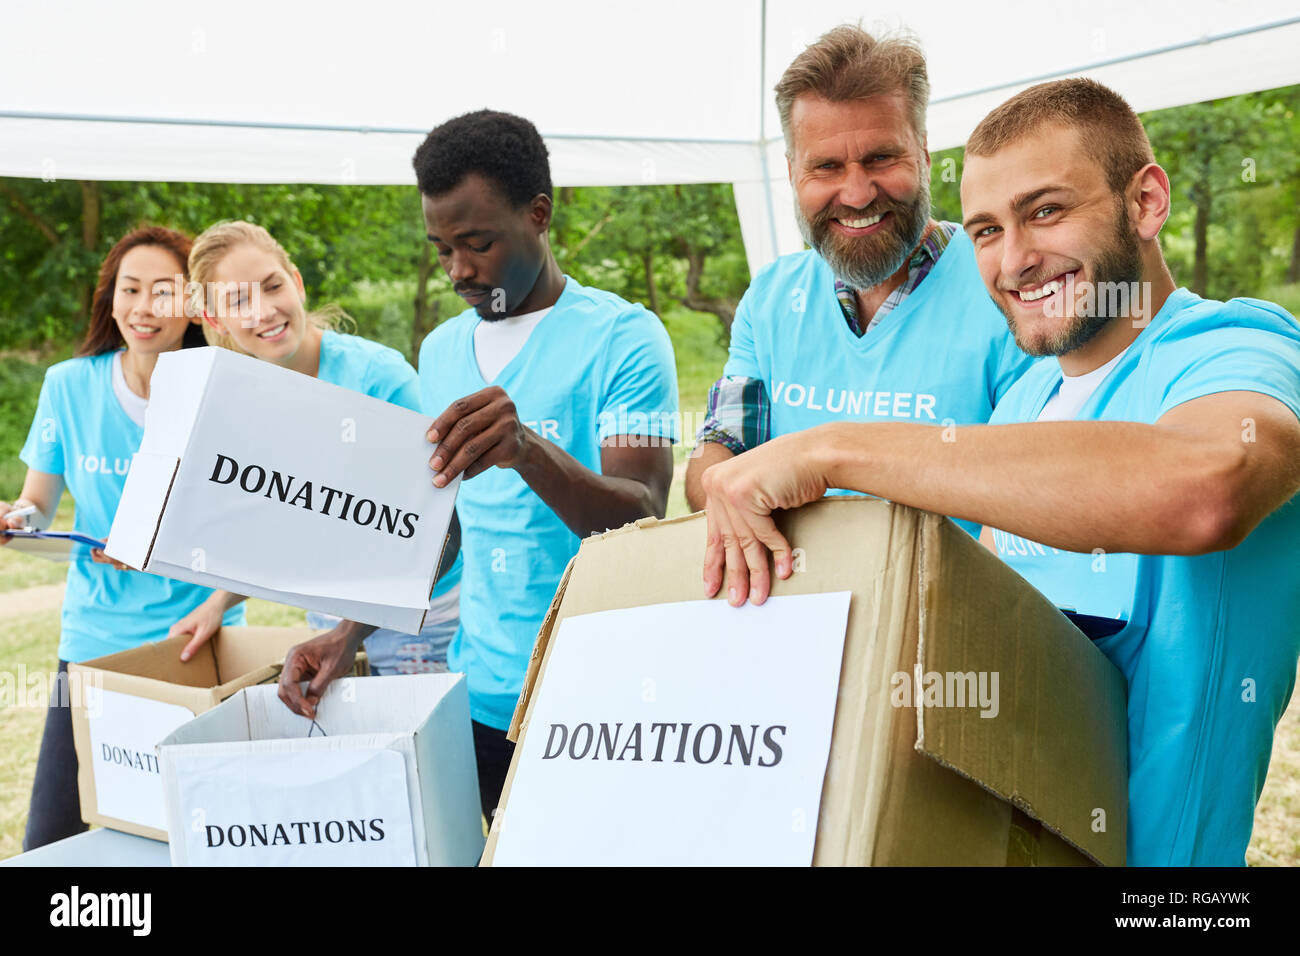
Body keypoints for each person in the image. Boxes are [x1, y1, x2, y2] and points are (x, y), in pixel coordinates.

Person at [696, 78, 1300, 866]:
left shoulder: (1232, 348)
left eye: (1046, 210)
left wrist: (830, 449)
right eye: (985, 229)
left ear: (1146, 201)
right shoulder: (1023, 398)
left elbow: (1204, 490)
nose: (1014, 259)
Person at [278, 110, 679, 821]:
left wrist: (530, 452)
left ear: (540, 214)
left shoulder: (625, 337)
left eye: (478, 243)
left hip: (597, 694)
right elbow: (442, 529)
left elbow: (645, 515)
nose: (459, 269)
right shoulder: (439, 352)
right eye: (441, 250)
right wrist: (350, 632)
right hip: (480, 693)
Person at [684, 25, 1035, 531]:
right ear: (790, 174)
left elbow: (1035, 477)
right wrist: (721, 485)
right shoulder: (771, 296)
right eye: (825, 167)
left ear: (925, 153)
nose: (856, 193)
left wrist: (830, 456)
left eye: (880, 158)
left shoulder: (1011, 285)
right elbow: (721, 451)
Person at [1, 226, 247, 850]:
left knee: (189, 836)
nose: (144, 307)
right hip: (89, 642)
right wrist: (17, 521)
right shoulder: (67, 385)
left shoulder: (224, 391)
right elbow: (39, 502)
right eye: (129, 289)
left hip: (189, 642)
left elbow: (242, 529)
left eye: (163, 292)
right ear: (110, 300)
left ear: (191, 304)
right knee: (52, 835)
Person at [167, 220, 462, 675]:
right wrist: (218, 603)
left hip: (423, 626)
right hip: (330, 624)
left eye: (272, 286)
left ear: (297, 283)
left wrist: (347, 633)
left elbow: (440, 534)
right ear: (214, 319)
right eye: (239, 300)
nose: (263, 311)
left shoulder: (379, 378)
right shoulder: (243, 399)